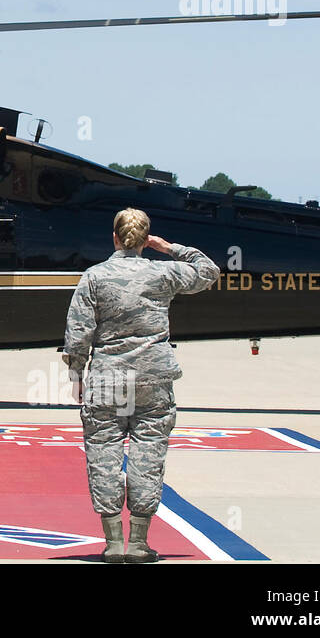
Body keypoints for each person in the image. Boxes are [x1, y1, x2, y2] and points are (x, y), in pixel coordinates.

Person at [63, 207, 218, 563]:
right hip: (152, 379)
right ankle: (139, 542)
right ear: (145, 240)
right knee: (149, 454)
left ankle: (113, 540)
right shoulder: (162, 273)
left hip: (107, 379)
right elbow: (209, 271)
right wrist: (170, 248)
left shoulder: (94, 277)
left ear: (114, 238)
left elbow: (78, 331)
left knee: (103, 452)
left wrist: (76, 374)